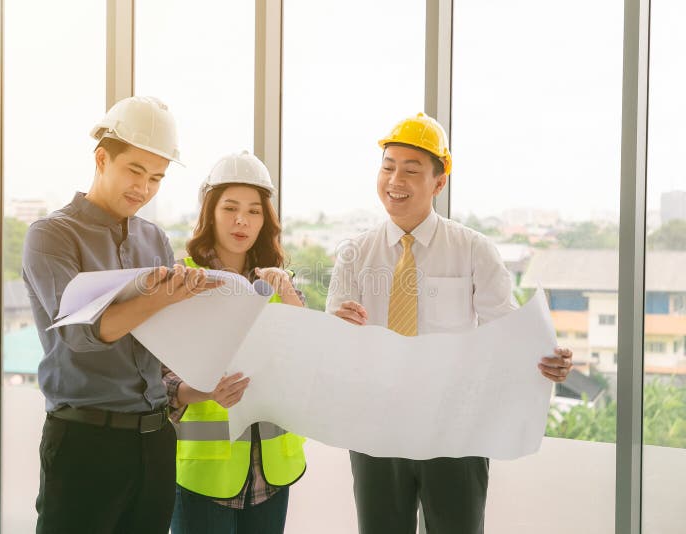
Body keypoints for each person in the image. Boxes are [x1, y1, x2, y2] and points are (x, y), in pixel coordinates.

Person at [326, 113, 574, 534]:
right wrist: (337, 329)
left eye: (411, 169)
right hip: (377, 428)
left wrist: (548, 358)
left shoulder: (474, 250)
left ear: (439, 183)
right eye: (388, 167)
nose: (395, 179)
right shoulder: (354, 253)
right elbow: (334, 342)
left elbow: (508, 331)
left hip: (456, 428)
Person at [23, 96, 217, 534]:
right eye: (135, 171)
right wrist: (161, 297)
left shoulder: (154, 239)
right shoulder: (53, 236)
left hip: (154, 438)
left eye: (156, 178)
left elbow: (166, 336)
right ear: (101, 158)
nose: (144, 188)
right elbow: (80, 334)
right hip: (85, 440)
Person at [163, 151, 307, 534]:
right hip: (204, 477)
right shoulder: (183, 280)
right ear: (210, 213)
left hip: (271, 476)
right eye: (230, 208)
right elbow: (157, 379)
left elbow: (312, 362)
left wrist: (292, 298)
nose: (242, 220)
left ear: (266, 220)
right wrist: (202, 391)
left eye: (254, 211)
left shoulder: (279, 283)